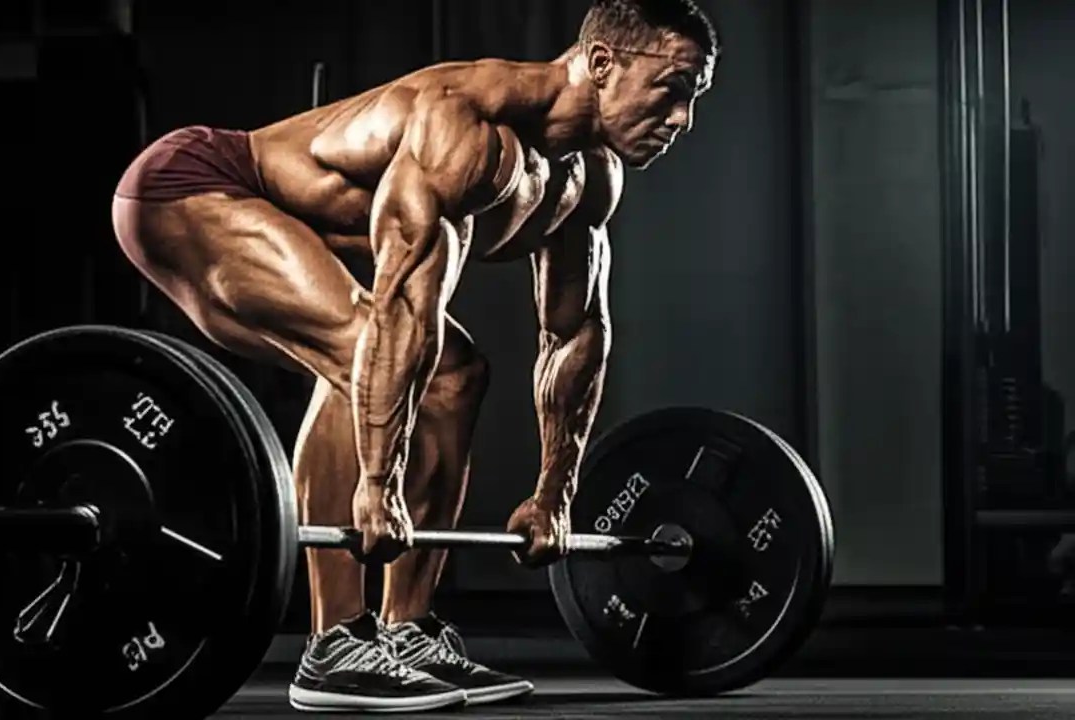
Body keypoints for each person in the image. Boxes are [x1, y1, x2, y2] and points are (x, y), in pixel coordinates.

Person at [111, 0, 718, 712]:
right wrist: (377, 480)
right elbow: (403, 308)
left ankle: (406, 633)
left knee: (457, 379)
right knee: (368, 350)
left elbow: (576, 335)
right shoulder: (465, 126)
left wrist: (555, 493)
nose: (681, 120)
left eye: (693, 98)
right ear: (602, 63)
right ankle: (334, 644)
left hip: (293, 231)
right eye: (671, 90)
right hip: (198, 190)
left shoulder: (588, 180)